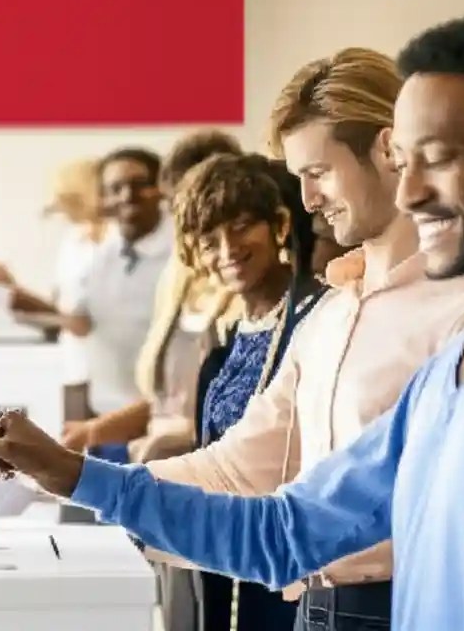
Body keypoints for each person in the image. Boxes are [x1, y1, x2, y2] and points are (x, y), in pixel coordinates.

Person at [0, 14, 464, 631]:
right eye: (407, 162)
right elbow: (283, 529)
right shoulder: (419, 359)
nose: (412, 188)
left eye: (435, 158)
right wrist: (73, 475)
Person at [162, 153, 331, 631]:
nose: (227, 249)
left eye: (240, 227)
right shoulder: (227, 337)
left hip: (290, 564)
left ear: (279, 225)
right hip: (224, 559)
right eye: (208, 240)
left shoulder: (320, 316)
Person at [61, 129, 245, 461]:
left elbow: (238, 416)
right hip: (143, 445)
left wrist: (167, 443)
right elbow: (168, 401)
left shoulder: (243, 292)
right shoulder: (177, 277)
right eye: (182, 207)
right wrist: (93, 431)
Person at [0, 156, 108, 399]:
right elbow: (61, 313)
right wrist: (15, 291)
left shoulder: (115, 245)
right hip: (72, 366)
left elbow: (88, 323)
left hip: (107, 370)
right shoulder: (72, 241)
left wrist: (25, 299)